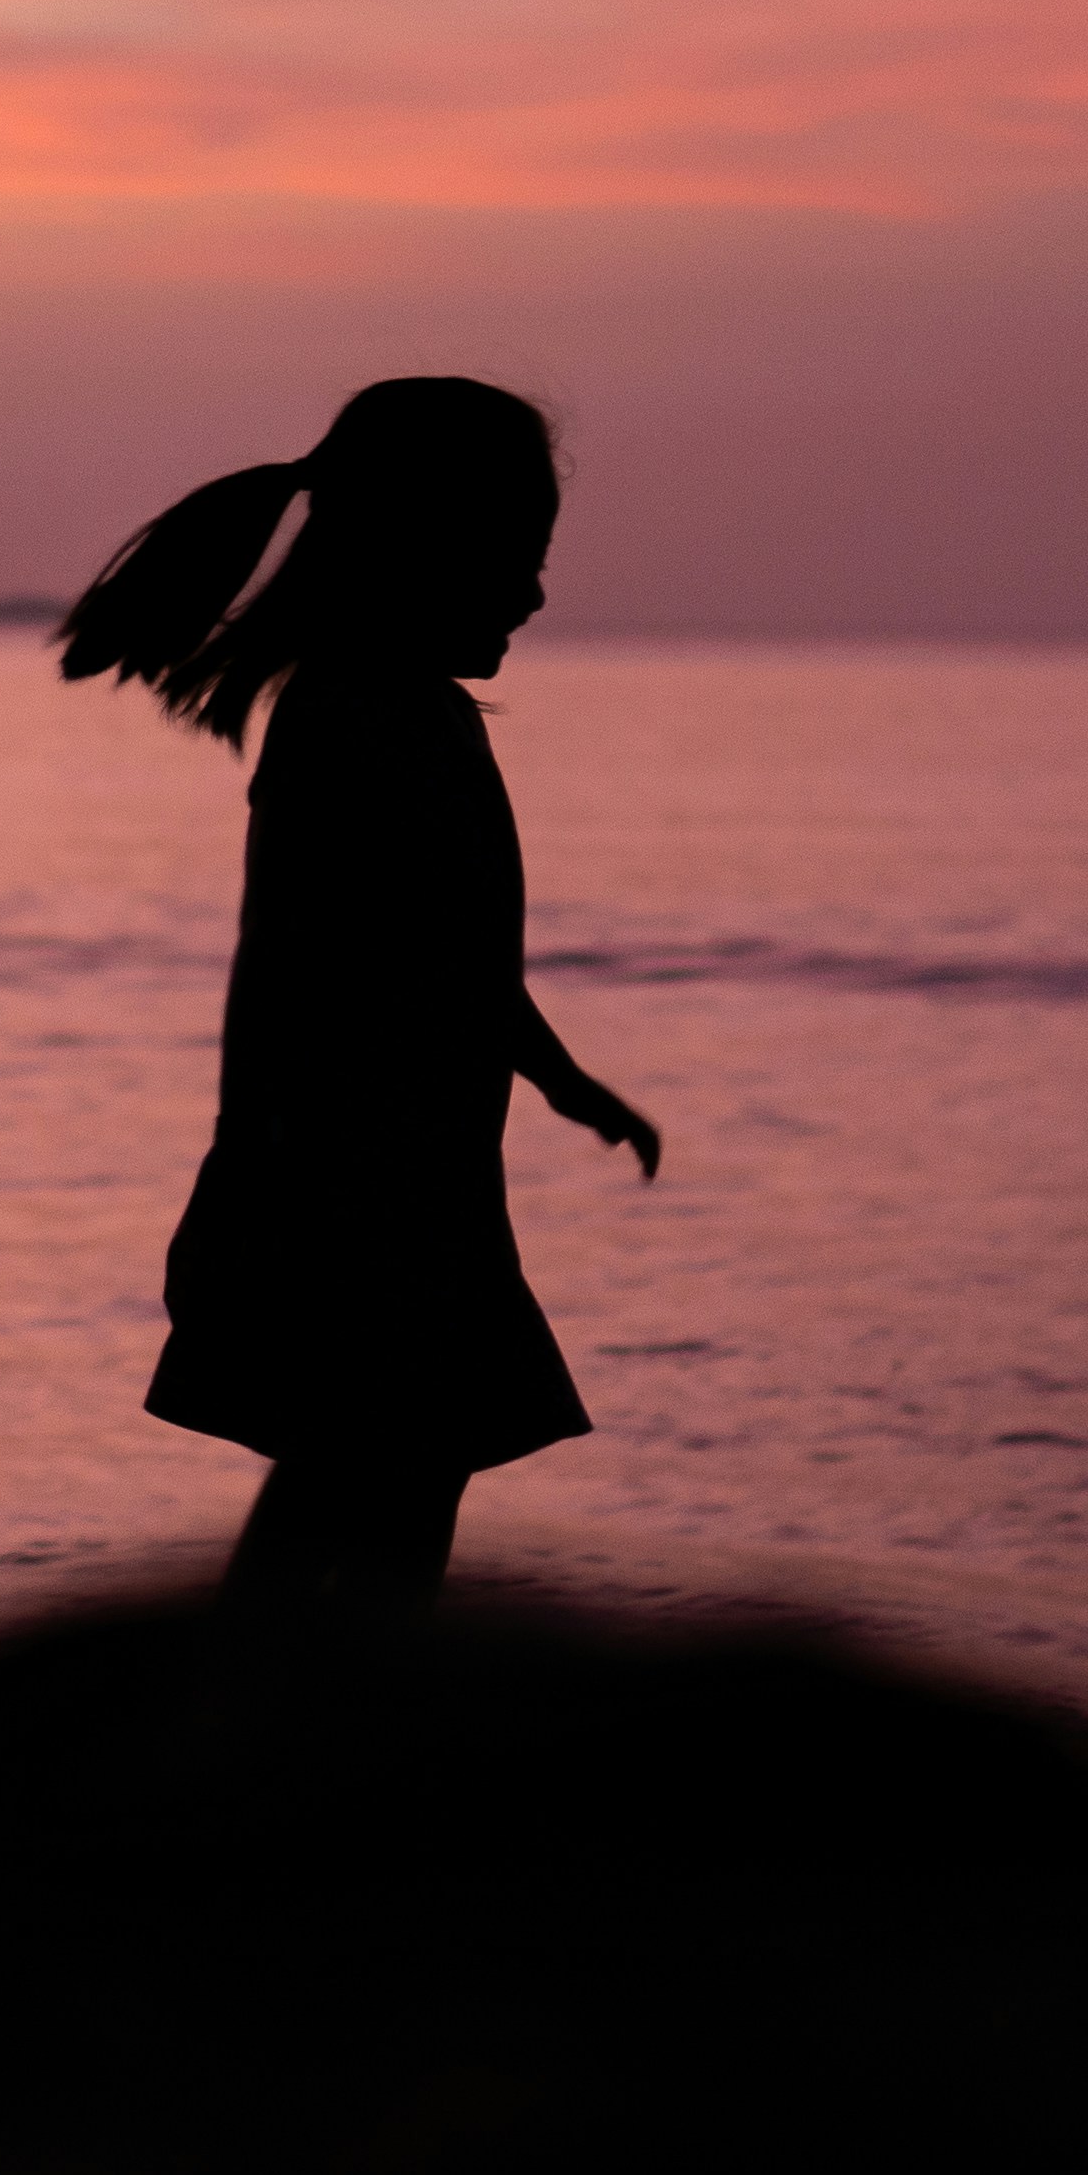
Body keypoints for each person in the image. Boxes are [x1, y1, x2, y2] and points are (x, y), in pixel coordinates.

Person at [57, 377, 658, 1630]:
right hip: (354, 1176)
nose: (537, 593)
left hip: (389, 1173)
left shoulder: (394, 712)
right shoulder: (369, 721)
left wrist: (557, 1078)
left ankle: (285, 1712)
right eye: (516, 557)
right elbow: (387, 959)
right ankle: (309, 1723)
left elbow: (451, 951)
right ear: (423, 550)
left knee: (370, 1463)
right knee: (389, 1464)